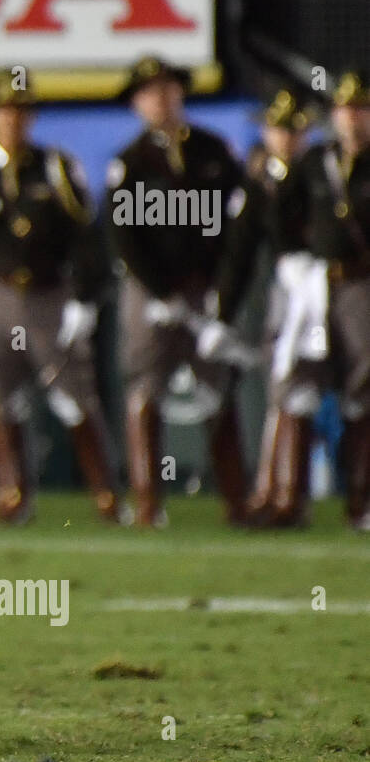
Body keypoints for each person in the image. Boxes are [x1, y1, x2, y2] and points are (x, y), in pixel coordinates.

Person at [0, 69, 118, 523]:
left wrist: (84, 296)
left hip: (47, 295)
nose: (11, 121)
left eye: (20, 112)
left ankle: (105, 494)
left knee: (72, 395)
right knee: (2, 396)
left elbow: (85, 237)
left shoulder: (55, 168)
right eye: (3, 112)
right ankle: (12, 493)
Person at [106, 56, 253, 527]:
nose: (161, 101)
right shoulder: (130, 162)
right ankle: (148, 500)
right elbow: (123, 235)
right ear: (137, 104)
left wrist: (220, 297)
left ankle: (236, 499)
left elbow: (236, 229)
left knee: (217, 389)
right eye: (150, 93)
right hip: (151, 296)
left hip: (203, 291)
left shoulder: (212, 151)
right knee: (145, 387)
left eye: (168, 90)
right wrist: (157, 292)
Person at [267, 72, 370, 531]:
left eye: (362, 108)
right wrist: (291, 257)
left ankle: (361, 502)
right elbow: (279, 213)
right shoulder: (315, 161)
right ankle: (289, 499)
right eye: (346, 108)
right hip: (316, 285)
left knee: (363, 390)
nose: (352, 117)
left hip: (363, 287)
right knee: (299, 382)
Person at [241, 89, 312, 526]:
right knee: (286, 386)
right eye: (278, 128)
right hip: (291, 287)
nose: (285, 138)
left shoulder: (319, 170)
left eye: (293, 129)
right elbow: (240, 246)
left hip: (341, 284)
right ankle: (278, 490)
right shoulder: (262, 177)